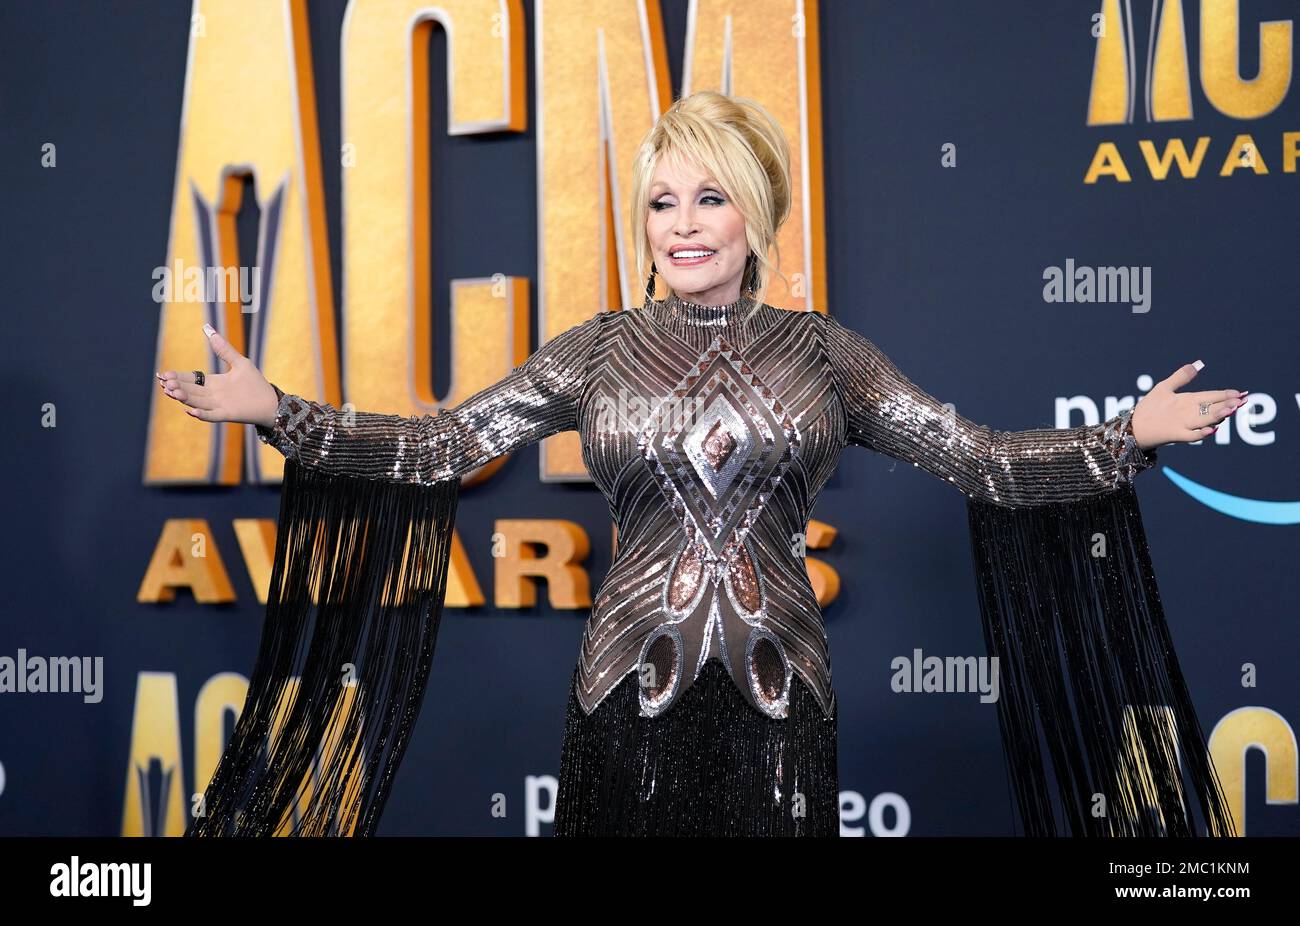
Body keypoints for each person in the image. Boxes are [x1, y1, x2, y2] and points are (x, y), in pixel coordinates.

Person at [157, 90, 1239, 837]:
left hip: (782, 705)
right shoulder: (595, 349)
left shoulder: (827, 353)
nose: (684, 225)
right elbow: (442, 446)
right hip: (623, 697)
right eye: (663, 200)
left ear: (756, 211)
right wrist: (282, 414)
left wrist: (1122, 437)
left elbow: (984, 462)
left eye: (710, 197)